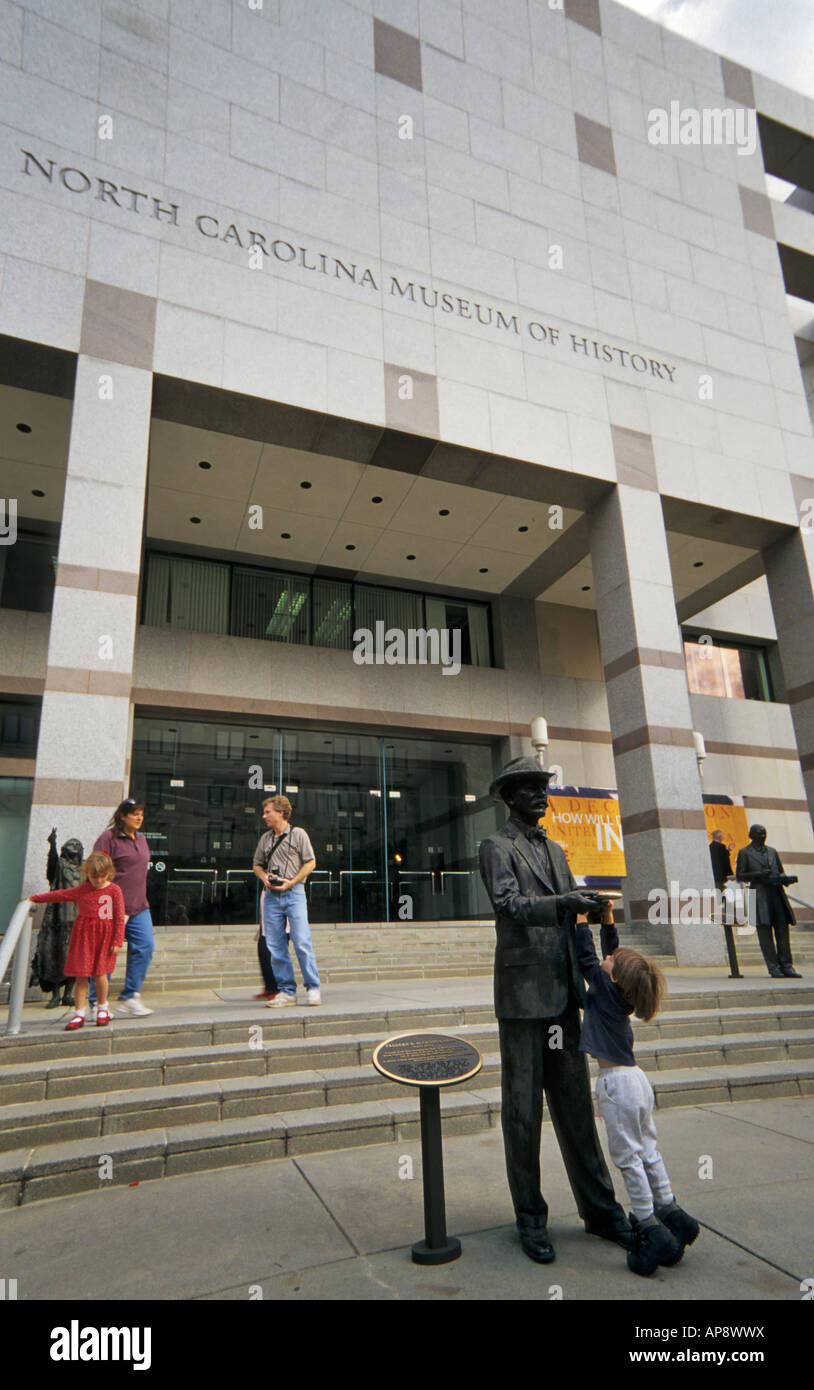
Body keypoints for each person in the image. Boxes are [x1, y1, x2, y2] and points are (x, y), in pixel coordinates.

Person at [478, 755, 631, 1264]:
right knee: (522, 1115)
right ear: (511, 796)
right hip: (523, 1001)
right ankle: (530, 1220)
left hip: (564, 998)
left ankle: (602, 1212)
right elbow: (508, 906)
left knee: (575, 1110)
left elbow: (570, 916)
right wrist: (564, 905)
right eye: (533, 789)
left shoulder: (557, 851)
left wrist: (589, 918)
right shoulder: (496, 847)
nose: (543, 795)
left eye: (545, 788)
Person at [576, 901, 700, 1276]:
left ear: (611, 978)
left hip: (616, 1086)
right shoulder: (621, 994)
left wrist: (581, 919)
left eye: (610, 962)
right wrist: (608, 919)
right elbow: (610, 956)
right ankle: (672, 1213)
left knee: (628, 1158)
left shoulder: (603, 986)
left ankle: (647, 1227)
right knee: (648, 1150)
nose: (605, 959)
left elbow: (586, 958)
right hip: (638, 1082)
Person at [30, 852, 125, 1031]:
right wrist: (36, 898)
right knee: (81, 976)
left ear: (109, 873)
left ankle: (102, 1008)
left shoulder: (114, 890)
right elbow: (61, 895)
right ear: (87, 873)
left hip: (104, 939)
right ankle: (79, 1013)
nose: (97, 880)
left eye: (101, 876)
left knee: (100, 975)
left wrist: (117, 940)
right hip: (84, 938)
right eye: (93, 876)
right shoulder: (82, 890)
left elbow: (119, 918)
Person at [252, 795, 320, 1007]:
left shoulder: (298, 834)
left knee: (301, 941)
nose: (264, 816)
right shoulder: (265, 839)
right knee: (275, 946)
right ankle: (287, 991)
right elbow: (257, 865)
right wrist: (264, 877)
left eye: (268, 812)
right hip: (272, 896)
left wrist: (291, 883)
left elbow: (310, 863)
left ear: (281, 812)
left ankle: (313, 987)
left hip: (294, 893)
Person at [90, 798, 155, 1016]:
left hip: (139, 906)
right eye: (135, 814)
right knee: (106, 955)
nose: (139, 818)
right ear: (123, 816)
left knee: (145, 947)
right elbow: (96, 869)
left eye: (141, 814)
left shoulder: (142, 839)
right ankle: (95, 1003)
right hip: (111, 908)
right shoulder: (108, 839)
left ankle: (130, 996)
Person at [736, 825, 801, 978]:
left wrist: (785, 879)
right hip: (759, 894)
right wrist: (758, 874)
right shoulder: (745, 853)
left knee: (782, 930)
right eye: (759, 833)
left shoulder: (772, 851)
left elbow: (780, 870)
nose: (763, 836)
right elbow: (741, 875)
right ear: (751, 835)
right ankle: (773, 966)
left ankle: (787, 965)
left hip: (776, 893)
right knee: (765, 933)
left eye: (764, 833)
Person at [31, 829, 82, 1008]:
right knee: (55, 955)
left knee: (73, 957)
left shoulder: (84, 869)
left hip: (76, 918)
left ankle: (69, 993)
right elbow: (51, 866)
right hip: (58, 918)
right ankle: (55, 995)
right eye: (71, 846)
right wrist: (52, 845)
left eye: (77, 846)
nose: (74, 848)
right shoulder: (60, 865)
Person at [255, 888, 279, 1000]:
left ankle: (278, 988)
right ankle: (269, 987)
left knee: (273, 951)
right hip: (267, 895)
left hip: (281, 895)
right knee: (262, 949)